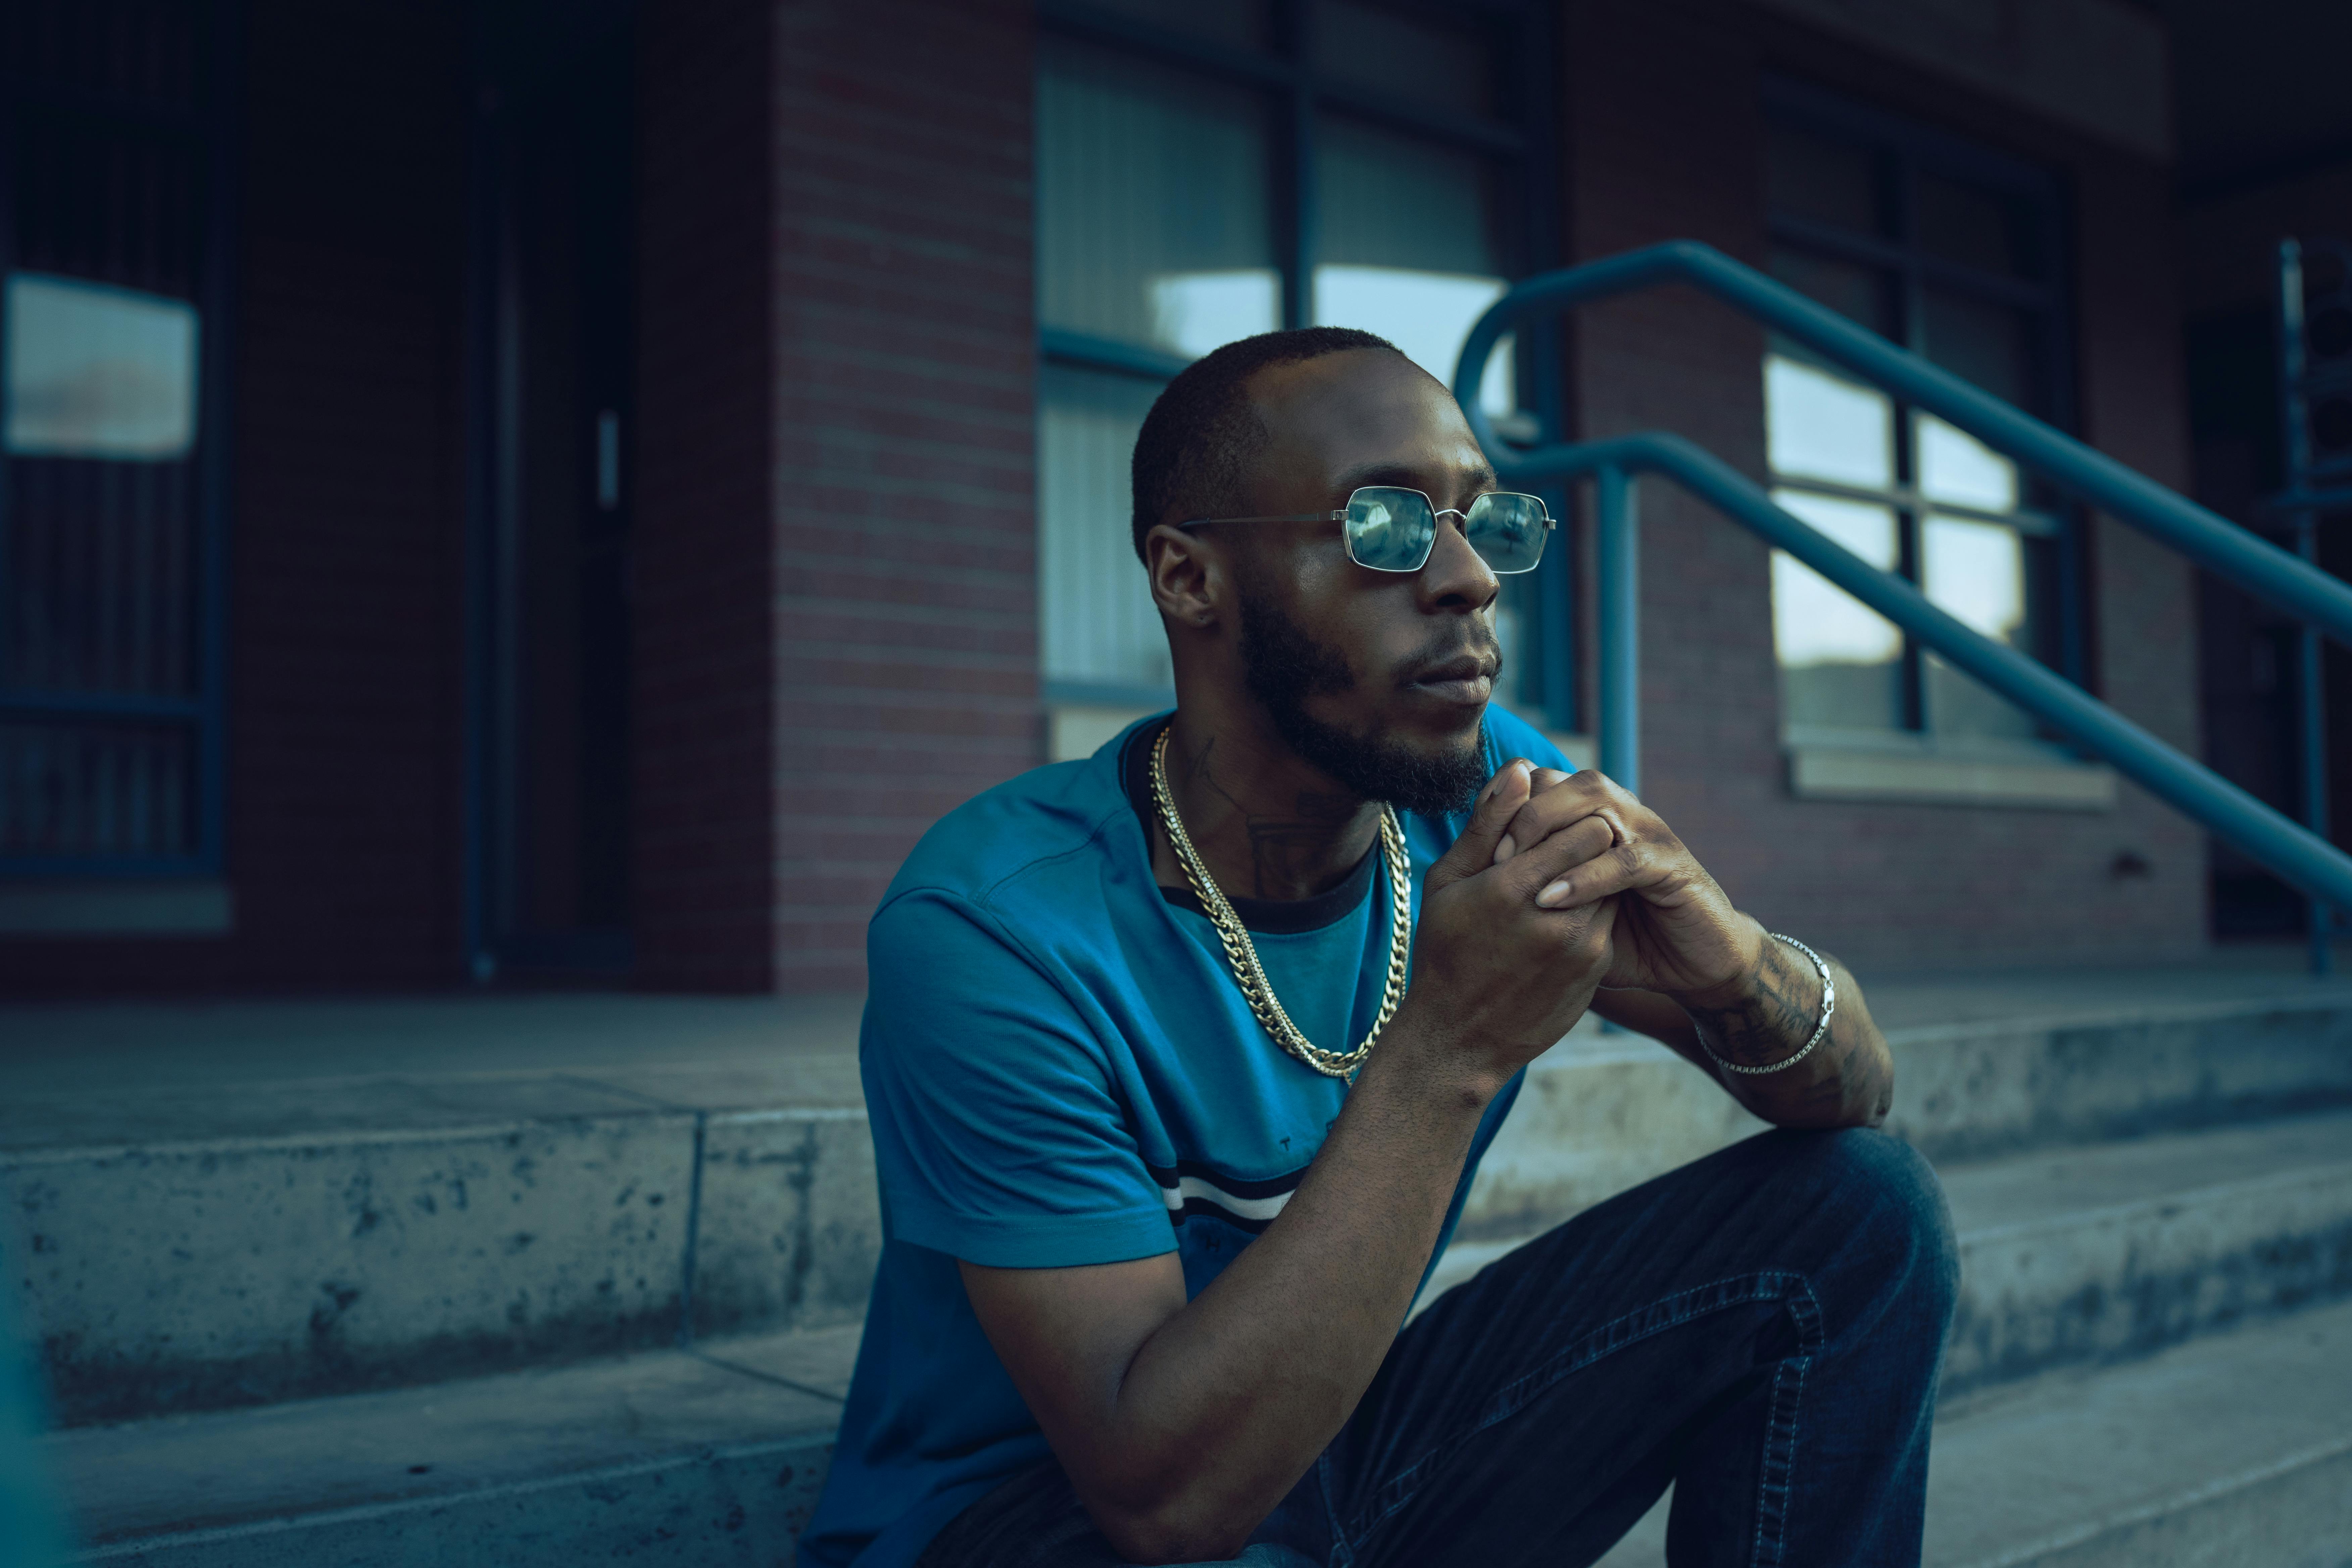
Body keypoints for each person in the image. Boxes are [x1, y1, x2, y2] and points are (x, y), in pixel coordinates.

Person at [799, 328, 1957, 1568]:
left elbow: (1859, 1093)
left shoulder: (1484, 791)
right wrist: (1447, 1051)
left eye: (1481, 522)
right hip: (1038, 1519)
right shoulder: (997, 932)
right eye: (1385, 529)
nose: (1468, 579)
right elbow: (1162, 1505)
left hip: (1331, 1445)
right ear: (1191, 580)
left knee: (1859, 1217)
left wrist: (1732, 969)